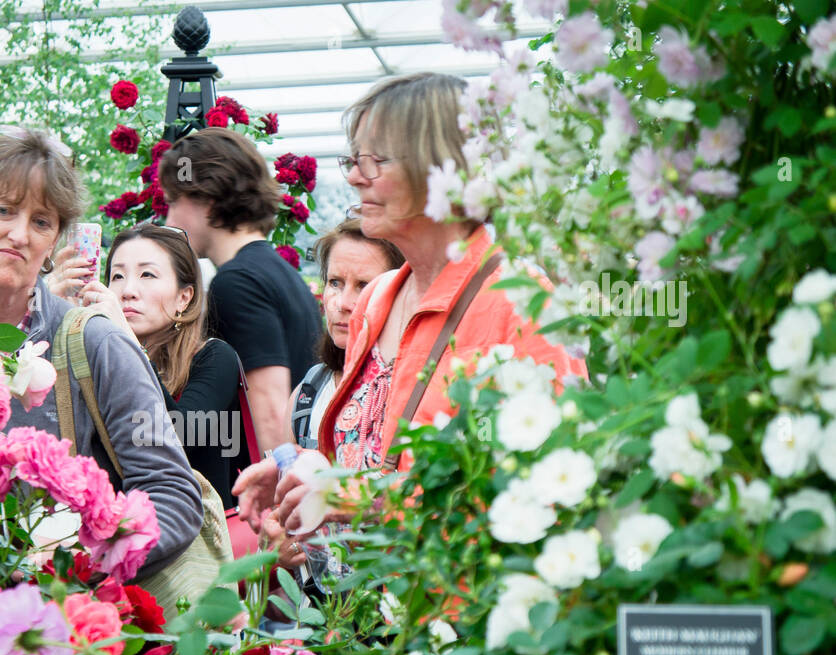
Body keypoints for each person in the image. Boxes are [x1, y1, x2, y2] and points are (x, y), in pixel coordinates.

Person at [235, 72, 588, 547]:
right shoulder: (379, 297)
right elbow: (372, 456)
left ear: (444, 169)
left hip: (462, 610)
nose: (355, 176)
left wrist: (363, 499)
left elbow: (556, 489)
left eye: (376, 160)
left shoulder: (523, 303)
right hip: (368, 606)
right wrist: (297, 468)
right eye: (352, 159)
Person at [0, 126, 203, 580]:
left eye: (41, 221)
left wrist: (78, 567)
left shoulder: (95, 343)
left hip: (55, 627)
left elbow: (172, 493)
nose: (19, 235)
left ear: (56, 239)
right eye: (3, 210)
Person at [157, 127, 322, 454]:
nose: (169, 217)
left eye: (174, 201)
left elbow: (270, 407)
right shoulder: (280, 272)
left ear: (207, 197)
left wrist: (273, 493)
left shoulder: (237, 283)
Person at [104, 221, 252, 509]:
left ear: (184, 297)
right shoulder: (102, 360)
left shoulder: (215, 357)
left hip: (194, 541)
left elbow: (180, 434)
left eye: (147, 274)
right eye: (117, 276)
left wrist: (128, 347)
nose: (127, 291)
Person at [290, 218, 405, 451]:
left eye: (364, 285)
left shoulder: (411, 391)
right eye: (335, 282)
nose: (343, 303)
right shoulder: (309, 391)